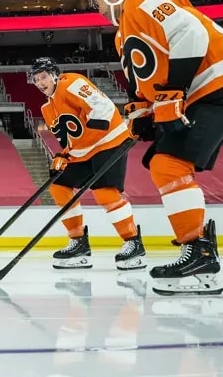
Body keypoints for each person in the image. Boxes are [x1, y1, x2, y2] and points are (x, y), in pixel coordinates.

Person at [88, 0, 223, 295]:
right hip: (205, 90)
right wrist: (142, 112)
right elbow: (145, 81)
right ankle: (199, 251)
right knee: (165, 164)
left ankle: (197, 251)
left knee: (167, 164)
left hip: (219, 82)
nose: (93, 5)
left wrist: (174, 94)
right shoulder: (123, 33)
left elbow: (189, 32)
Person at [28, 57, 144, 271]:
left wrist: (95, 126)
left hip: (110, 142)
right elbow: (70, 141)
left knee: (105, 193)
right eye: (36, 80)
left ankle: (133, 242)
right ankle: (78, 242)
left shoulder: (70, 82)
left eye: (43, 76)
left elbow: (102, 107)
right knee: (58, 184)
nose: (40, 82)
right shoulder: (47, 109)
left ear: (54, 74)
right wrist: (63, 155)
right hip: (84, 152)